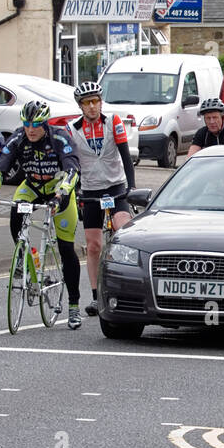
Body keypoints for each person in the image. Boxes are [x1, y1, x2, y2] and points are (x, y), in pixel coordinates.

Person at [0, 100, 83, 328]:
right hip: (31, 186)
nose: (31, 129)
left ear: (45, 123)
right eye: (27, 123)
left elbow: (72, 169)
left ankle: (73, 306)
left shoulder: (59, 138)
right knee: (16, 211)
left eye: (36, 124)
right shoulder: (19, 138)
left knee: (67, 249)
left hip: (58, 190)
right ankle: (24, 256)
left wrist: (61, 195)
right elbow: (0, 165)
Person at [69, 81, 136, 317]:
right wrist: (75, 191)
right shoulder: (73, 129)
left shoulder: (113, 123)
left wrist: (132, 186)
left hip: (115, 186)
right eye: (87, 103)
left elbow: (126, 156)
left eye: (96, 101)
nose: (92, 107)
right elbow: (72, 164)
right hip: (90, 190)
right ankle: (97, 297)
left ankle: (126, 286)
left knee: (122, 228)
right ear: (81, 106)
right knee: (94, 245)